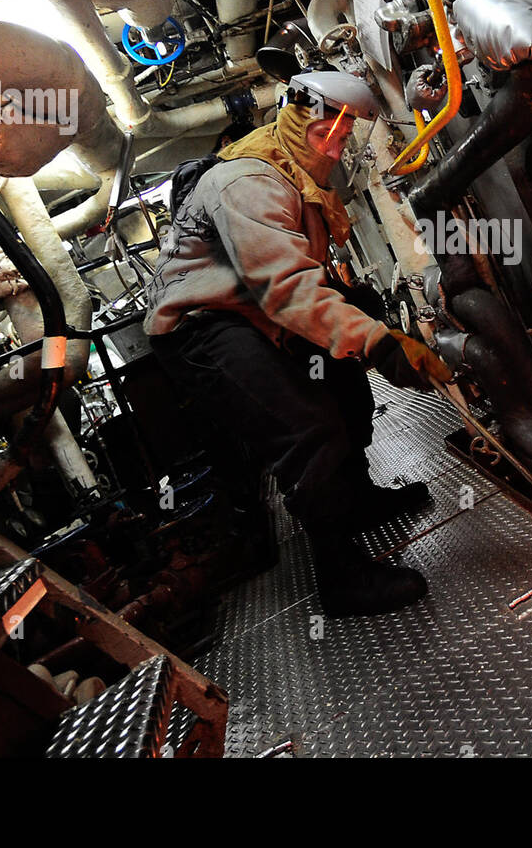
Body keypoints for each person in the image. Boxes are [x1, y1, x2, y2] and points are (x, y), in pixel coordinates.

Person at [144, 71, 451, 616]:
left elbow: (307, 281)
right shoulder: (248, 181)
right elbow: (285, 287)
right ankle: (340, 577)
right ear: (292, 117)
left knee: (345, 386)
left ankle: (357, 500)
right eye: (322, 133)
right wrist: (379, 343)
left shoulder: (302, 181)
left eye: (343, 135)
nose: (334, 146)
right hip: (204, 326)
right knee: (307, 429)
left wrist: (362, 330)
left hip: (258, 313)